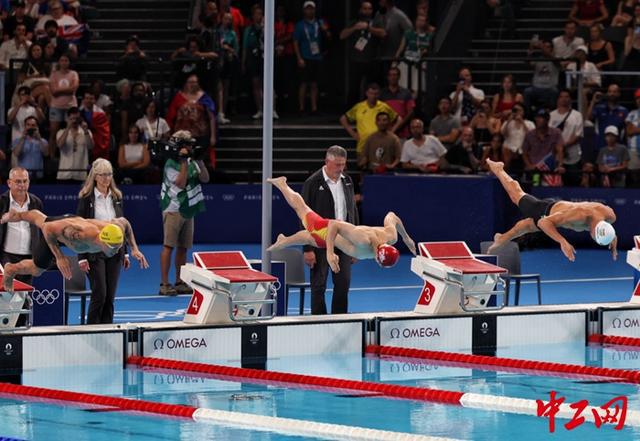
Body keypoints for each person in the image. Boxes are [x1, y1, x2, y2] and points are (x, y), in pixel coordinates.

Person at [268, 175, 416, 274]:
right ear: (378, 257)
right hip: (328, 230)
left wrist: (406, 238)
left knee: (309, 238)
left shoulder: (391, 236)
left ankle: (284, 241)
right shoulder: (362, 239)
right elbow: (333, 225)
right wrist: (330, 254)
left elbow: (391, 216)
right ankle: (282, 185)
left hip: (334, 240)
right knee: (302, 210)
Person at [486, 158, 617, 262]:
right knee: (516, 195)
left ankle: (500, 239)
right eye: (595, 239)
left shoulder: (609, 216)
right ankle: (499, 170)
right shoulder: (579, 215)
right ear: (594, 232)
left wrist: (612, 239)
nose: (593, 239)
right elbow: (544, 223)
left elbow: (608, 229)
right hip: (545, 210)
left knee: (526, 226)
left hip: (558, 208)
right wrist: (563, 242)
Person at [0, 208, 148, 293]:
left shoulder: (116, 228)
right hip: (61, 231)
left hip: (72, 225)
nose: (117, 251)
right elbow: (48, 228)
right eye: (114, 248)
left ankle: (16, 214)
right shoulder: (82, 234)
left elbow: (126, 224)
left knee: (42, 218)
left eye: (119, 246)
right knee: (37, 268)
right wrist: (59, 256)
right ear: (103, 242)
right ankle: (11, 268)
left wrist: (134, 248)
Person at [297, 146, 357, 315]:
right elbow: (303, 216)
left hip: (344, 241)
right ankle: (318, 321)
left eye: (343, 165)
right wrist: (307, 249)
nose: (340, 169)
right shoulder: (312, 182)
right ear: (327, 162)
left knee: (343, 283)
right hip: (319, 242)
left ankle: (340, 320)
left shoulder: (347, 180)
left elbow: (352, 211)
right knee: (318, 285)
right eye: (337, 165)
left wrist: (355, 244)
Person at [76, 159, 128, 324]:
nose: (107, 178)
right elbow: (79, 228)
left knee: (110, 296)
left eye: (109, 174)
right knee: (100, 294)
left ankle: (108, 331)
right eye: (103, 175)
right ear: (95, 177)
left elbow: (121, 225)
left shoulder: (117, 197)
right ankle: (91, 331)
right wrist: (81, 256)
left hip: (115, 252)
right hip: (94, 252)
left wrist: (125, 252)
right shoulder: (86, 198)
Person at [159, 131, 209, 296]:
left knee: (183, 248)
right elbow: (181, 183)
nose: (190, 147)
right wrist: (183, 162)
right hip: (173, 209)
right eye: (187, 144)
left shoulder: (192, 160)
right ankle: (164, 284)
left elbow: (205, 178)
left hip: (189, 209)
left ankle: (179, 281)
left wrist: (200, 161)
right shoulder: (171, 164)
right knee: (169, 246)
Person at [0, 167, 43, 286]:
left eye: (25, 181)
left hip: (29, 258)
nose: (22, 185)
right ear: (9, 183)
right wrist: (4, 218)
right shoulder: (2, 202)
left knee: (24, 295)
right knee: (6, 297)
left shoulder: (36, 202)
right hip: (6, 257)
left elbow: (41, 229)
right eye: (18, 181)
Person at [340, 82, 398, 156]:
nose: (373, 96)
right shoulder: (359, 107)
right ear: (367, 93)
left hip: (380, 146)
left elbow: (398, 119)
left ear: (378, 94)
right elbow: (343, 119)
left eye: (376, 94)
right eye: (371, 93)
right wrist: (353, 133)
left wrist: (391, 132)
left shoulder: (384, 107)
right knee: (362, 166)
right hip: (362, 145)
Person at [11, 115, 47, 180]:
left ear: (37, 127)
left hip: (38, 176)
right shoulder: (17, 141)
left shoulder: (43, 141)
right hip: (22, 177)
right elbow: (16, 154)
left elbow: (46, 153)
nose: (30, 127)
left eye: (33, 125)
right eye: (28, 125)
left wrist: (39, 139)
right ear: (25, 126)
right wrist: (23, 138)